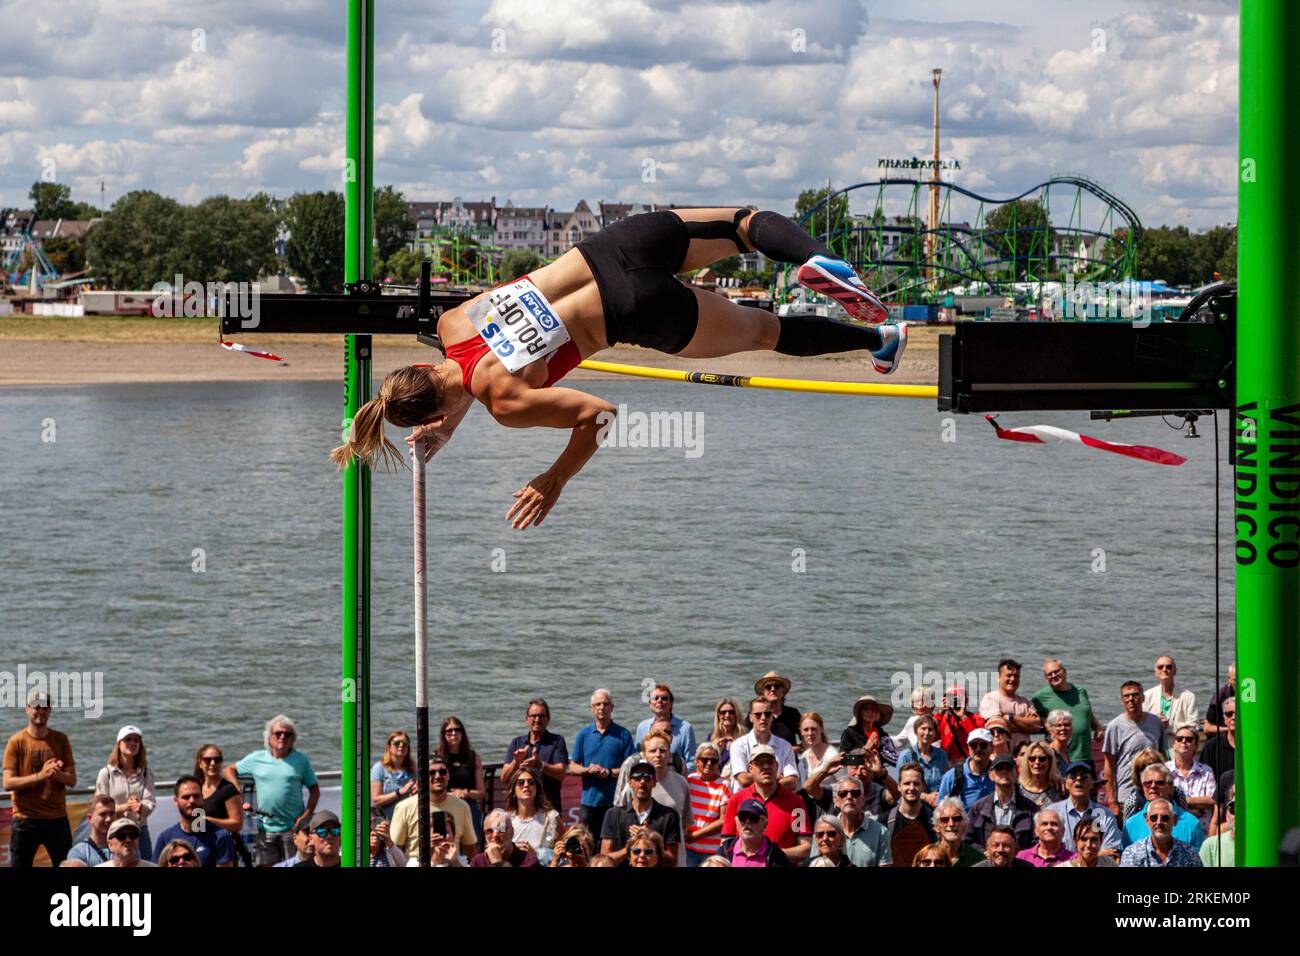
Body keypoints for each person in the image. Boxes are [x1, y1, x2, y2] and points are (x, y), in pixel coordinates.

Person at [332, 208, 905, 531]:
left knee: (765, 331)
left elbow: (599, 416)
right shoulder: (455, 321)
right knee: (742, 222)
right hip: (616, 246)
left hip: (632, 310)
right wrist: (450, 420)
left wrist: (552, 480)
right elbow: (464, 370)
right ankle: (817, 261)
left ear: (432, 411)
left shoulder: (504, 403)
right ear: (418, 361)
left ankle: (876, 338)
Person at [225, 714, 320, 866]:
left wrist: (306, 815)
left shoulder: (301, 760)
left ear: (292, 739)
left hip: (293, 828)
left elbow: (314, 789)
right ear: (269, 737)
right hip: (265, 828)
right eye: (278, 733)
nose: (282, 737)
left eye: (287, 734)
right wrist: (237, 788)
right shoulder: (256, 758)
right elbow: (228, 770)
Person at [4, 690, 76, 867]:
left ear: (50, 711)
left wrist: (56, 774)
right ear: (27, 709)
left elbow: (72, 780)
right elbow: (7, 783)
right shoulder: (16, 742)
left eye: (45, 707)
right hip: (25, 819)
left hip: (57, 819)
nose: (40, 711)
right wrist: (40, 776)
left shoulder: (61, 739)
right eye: (36, 707)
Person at [722, 745, 813, 863]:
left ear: (777, 767)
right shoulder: (736, 800)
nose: (766, 767)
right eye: (760, 763)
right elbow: (725, 845)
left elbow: (805, 847)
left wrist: (772, 853)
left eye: (770, 762)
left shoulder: (796, 803)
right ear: (750, 768)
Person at [568, 688, 636, 837]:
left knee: (614, 842)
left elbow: (631, 768)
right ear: (592, 709)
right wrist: (587, 770)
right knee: (589, 843)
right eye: (597, 704)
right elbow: (573, 766)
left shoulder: (623, 734)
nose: (602, 708)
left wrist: (609, 773)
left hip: (616, 802)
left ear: (612, 707)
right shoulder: (583, 734)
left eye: (605, 704)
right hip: (589, 802)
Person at [390, 755, 478, 861]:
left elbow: (470, 849)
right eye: (431, 773)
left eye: (443, 772)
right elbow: (394, 849)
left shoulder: (462, 806)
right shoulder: (404, 807)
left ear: (448, 776)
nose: (437, 776)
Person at [599, 756, 682, 865]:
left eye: (647, 777)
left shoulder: (669, 815)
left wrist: (651, 838)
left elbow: (672, 861)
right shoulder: (613, 814)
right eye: (637, 777)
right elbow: (604, 860)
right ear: (629, 782)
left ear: (654, 782)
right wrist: (632, 846)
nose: (642, 781)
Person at [94, 724, 157, 862]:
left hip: (140, 831)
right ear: (119, 744)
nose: (132, 743)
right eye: (128, 739)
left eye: (136, 740)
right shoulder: (106, 773)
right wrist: (126, 807)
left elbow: (150, 801)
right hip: (114, 832)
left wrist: (140, 806)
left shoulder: (146, 773)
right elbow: (100, 807)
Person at [1103, 681, 1165, 813]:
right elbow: (1108, 765)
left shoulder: (1156, 723)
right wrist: (1112, 801)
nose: (1131, 699)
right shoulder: (1114, 727)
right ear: (1122, 700)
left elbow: (1162, 758)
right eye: (1126, 696)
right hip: (1126, 794)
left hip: (1153, 792)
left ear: (1143, 698)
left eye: (1135, 695)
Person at [152, 774, 235, 867]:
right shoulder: (165, 838)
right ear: (176, 801)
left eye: (196, 796)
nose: (191, 801)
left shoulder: (220, 836)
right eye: (186, 797)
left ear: (202, 798)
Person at [502, 698, 569, 812]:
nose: (537, 719)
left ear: (548, 719)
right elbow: (504, 778)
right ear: (527, 718)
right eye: (533, 716)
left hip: (549, 809)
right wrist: (516, 762)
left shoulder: (557, 741)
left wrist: (541, 765)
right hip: (521, 811)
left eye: (541, 716)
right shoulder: (517, 742)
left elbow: (561, 773)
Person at [1030, 659, 1102, 761]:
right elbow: (1032, 717)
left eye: (1057, 671)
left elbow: (1087, 712)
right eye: (1049, 674)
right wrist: (1043, 721)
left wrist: (1098, 727)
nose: (1054, 675)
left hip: (1085, 755)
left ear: (1065, 671)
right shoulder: (1040, 697)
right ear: (1046, 678)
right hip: (1060, 758)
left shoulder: (1080, 691)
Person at [1047, 761, 1123, 856]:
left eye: (1084, 776)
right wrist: (1095, 854)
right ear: (1066, 783)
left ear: (1092, 783)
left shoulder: (1103, 814)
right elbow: (1049, 850)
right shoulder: (1053, 813)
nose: (1078, 779)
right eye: (1073, 776)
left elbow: (1111, 852)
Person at [966, 753, 1039, 849]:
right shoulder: (978, 808)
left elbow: (1036, 843)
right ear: (991, 775)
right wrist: (983, 854)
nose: (1004, 771)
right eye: (999, 768)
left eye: (1008, 768)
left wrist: (1020, 856)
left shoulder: (1031, 809)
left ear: (1016, 774)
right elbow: (967, 840)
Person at [1123, 764, 1205, 849]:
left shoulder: (1191, 823)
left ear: (1170, 788)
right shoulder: (1131, 824)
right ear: (1143, 788)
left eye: (1159, 783)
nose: (1153, 786)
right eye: (1148, 783)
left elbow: (1198, 860)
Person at [613, 728, 691, 816]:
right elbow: (618, 817)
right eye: (653, 751)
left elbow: (685, 823)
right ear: (644, 755)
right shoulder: (633, 786)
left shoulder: (681, 783)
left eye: (662, 750)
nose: (658, 755)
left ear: (669, 753)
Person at [729, 697, 799, 789]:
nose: (763, 718)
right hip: (747, 801)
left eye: (767, 714)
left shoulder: (785, 746)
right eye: (758, 714)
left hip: (776, 801)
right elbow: (744, 780)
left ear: (772, 717)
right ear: (750, 718)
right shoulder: (738, 745)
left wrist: (756, 776)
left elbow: (792, 783)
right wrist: (776, 777)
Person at [195, 744, 245, 864]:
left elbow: (237, 824)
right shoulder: (196, 787)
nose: (212, 763)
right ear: (200, 763)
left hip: (223, 849)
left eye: (217, 760)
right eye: (208, 760)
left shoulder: (228, 789)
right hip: (200, 846)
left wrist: (208, 820)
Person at [439, 716, 486, 843]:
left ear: (462, 733)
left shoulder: (473, 757)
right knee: (441, 846)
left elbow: (481, 792)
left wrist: (465, 792)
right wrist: (451, 794)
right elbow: (429, 789)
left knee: (470, 846)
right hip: (442, 806)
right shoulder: (436, 758)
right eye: (449, 731)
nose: (454, 733)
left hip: (468, 805)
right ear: (444, 734)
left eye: (457, 730)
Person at [684, 742, 732, 865]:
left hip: (711, 850)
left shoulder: (724, 785)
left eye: (714, 760)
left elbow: (723, 820)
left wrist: (695, 836)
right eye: (705, 759)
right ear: (697, 761)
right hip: (687, 848)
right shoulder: (690, 781)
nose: (709, 763)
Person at [979, 659, 1042, 750]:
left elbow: (1036, 726)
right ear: (999, 677)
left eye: (1016, 676)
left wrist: (1010, 717)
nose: (1012, 679)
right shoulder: (990, 698)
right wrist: (1025, 726)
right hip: (1000, 757)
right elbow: (997, 727)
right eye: (1009, 675)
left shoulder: (1026, 702)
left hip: (1024, 758)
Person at [1120, 799, 1203, 867]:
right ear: (1147, 821)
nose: (1159, 822)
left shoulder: (1189, 853)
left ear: (1174, 820)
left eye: (1165, 818)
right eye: (1154, 818)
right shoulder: (1132, 854)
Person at [635, 683, 698, 771]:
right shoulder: (642, 727)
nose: (659, 701)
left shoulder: (685, 728)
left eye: (664, 698)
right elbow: (638, 757)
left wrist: (676, 775)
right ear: (650, 703)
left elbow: (692, 762)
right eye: (655, 698)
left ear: (671, 703)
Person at [881, 763, 935, 866]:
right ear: (899, 786)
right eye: (907, 783)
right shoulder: (885, 821)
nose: (912, 788)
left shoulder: (934, 820)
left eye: (916, 783)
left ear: (923, 786)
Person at [504, 766, 560, 864]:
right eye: (521, 782)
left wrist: (534, 854)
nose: (526, 785)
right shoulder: (506, 819)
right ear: (513, 790)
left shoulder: (551, 817)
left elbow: (564, 849)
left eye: (531, 782)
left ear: (537, 788)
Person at [1121, 747, 1189, 822]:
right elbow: (1128, 829)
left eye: (1152, 766)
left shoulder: (1177, 793)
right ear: (1137, 773)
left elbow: (1185, 820)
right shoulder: (1133, 801)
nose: (1148, 770)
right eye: (1143, 768)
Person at [1143, 655, 1198, 749]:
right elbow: (1142, 723)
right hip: (1152, 748)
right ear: (1155, 672)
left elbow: (1194, 726)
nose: (1164, 669)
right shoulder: (1147, 695)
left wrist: (1170, 726)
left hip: (1177, 748)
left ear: (1174, 671)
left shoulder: (1188, 696)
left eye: (1169, 667)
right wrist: (1156, 723)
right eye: (1160, 667)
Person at [1167, 722, 1216, 826]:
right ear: (1174, 745)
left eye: (1189, 739)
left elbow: (1212, 800)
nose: (1184, 741)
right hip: (1174, 831)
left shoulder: (1206, 771)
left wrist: (1181, 800)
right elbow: (1162, 801)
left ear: (1196, 746)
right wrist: (1191, 810)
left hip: (1201, 831)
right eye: (1179, 739)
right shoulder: (1164, 770)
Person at [718, 798, 790, 867]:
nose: (747, 822)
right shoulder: (724, 851)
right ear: (737, 822)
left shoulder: (776, 857)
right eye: (742, 817)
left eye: (753, 818)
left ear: (764, 824)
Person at [935, 727, 994, 809]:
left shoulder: (999, 772)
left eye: (983, 745)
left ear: (991, 748)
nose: (978, 749)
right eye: (974, 745)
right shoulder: (952, 776)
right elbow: (940, 809)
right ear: (969, 748)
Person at [896, 714, 948, 803]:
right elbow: (900, 787)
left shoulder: (942, 755)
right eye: (923, 728)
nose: (927, 733)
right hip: (911, 804)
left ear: (935, 733)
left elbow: (945, 783)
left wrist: (937, 797)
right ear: (916, 732)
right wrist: (926, 797)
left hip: (935, 804)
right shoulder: (906, 756)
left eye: (930, 729)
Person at [370, 731, 417, 823]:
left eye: (405, 743)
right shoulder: (379, 768)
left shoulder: (414, 768)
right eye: (396, 743)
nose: (401, 745)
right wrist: (400, 792)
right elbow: (376, 800)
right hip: (387, 821)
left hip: (409, 820)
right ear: (389, 747)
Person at [839, 694, 898, 766]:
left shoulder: (882, 734)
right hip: (857, 774)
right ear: (860, 713)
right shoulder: (850, 733)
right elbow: (843, 761)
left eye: (873, 709)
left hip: (879, 774)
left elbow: (893, 758)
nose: (869, 712)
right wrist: (865, 749)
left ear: (877, 714)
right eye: (866, 709)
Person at [1197, 698, 1235, 804]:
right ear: (1224, 719)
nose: (1234, 717)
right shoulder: (1212, 746)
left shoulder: (1254, 746)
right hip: (1219, 802)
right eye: (1229, 714)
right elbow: (1202, 778)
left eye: (1237, 713)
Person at [748, 671, 802, 745]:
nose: (773, 689)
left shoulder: (792, 714)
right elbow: (743, 734)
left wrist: (797, 749)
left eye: (776, 686)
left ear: (782, 691)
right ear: (763, 693)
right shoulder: (756, 714)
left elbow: (806, 737)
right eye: (768, 687)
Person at [472, 809, 541, 867]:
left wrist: (498, 863)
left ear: (512, 832)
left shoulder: (529, 861)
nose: (495, 835)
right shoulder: (478, 861)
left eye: (501, 830)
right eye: (489, 831)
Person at [935, 684, 984, 763]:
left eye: (957, 699)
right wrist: (939, 714)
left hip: (969, 763)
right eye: (950, 699)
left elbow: (979, 739)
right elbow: (930, 737)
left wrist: (963, 717)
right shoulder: (944, 719)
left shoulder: (977, 719)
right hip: (948, 764)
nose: (954, 702)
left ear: (966, 701)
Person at [66, 795, 116, 867]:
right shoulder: (78, 852)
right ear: (90, 818)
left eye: (112, 813)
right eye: (103, 814)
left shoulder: (125, 846)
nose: (108, 819)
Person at [796, 712, 841, 790]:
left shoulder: (833, 755)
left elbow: (843, 782)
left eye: (813, 729)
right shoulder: (804, 756)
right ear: (801, 732)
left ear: (822, 729)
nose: (810, 733)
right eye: (806, 730)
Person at [935, 797, 984, 867]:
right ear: (937, 827)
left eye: (956, 819)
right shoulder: (926, 857)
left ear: (965, 825)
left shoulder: (978, 858)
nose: (951, 824)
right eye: (945, 819)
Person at [1017, 741, 1063, 808]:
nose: (1037, 762)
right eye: (1032, 759)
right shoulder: (1018, 790)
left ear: (1050, 761)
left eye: (1042, 759)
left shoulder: (1059, 787)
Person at [709, 698, 745, 782]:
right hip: (717, 783)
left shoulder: (743, 738)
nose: (727, 715)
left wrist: (736, 748)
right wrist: (715, 752)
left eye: (731, 712)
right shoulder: (712, 738)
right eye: (723, 712)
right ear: (718, 715)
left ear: (736, 715)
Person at [1200, 786, 1235, 867]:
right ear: (1227, 813)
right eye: (1233, 808)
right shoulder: (1210, 846)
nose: (1238, 814)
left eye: (1244, 809)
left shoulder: (1264, 845)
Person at [1203, 663, 1236, 734]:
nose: (1239, 684)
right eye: (1235, 680)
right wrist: (1230, 729)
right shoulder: (1219, 697)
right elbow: (1207, 728)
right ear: (1229, 679)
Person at [1044, 710, 1077, 777]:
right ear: (1051, 729)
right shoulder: (1048, 753)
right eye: (1058, 725)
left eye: (1067, 725)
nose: (1063, 728)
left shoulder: (1067, 751)